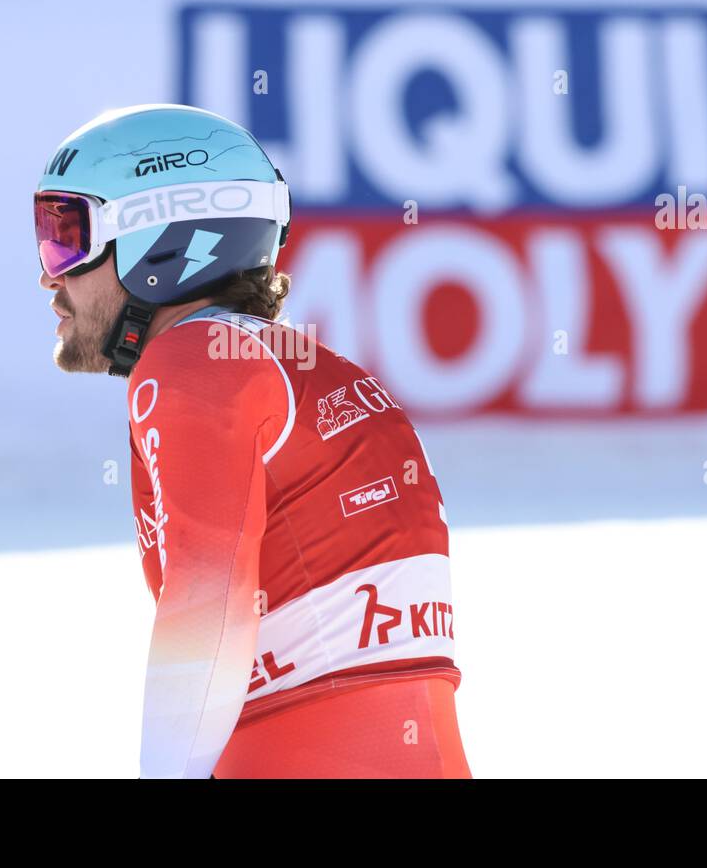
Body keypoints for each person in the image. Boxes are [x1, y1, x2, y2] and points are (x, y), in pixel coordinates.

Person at [34, 103, 471, 778]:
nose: (49, 274)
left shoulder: (191, 364)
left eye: (67, 236)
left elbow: (211, 607)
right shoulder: (322, 372)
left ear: (158, 243)